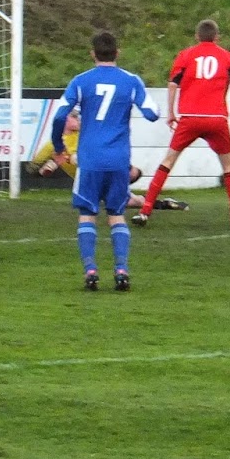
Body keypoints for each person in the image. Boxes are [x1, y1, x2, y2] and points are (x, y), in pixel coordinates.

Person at [49, 32, 160, 292]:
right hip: (118, 160)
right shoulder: (131, 81)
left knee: (87, 216)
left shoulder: (81, 81)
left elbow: (59, 116)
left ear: (93, 54)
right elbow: (153, 113)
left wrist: (58, 147)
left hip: (90, 160)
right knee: (116, 215)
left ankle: (90, 271)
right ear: (117, 53)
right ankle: (121, 270)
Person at [135, 19, 230, 230]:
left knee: (168, 160)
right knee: (228, 166)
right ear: (217, 37)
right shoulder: (228, 57)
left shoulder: (186, 55)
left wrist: (171, 112)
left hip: (190, 117)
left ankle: (145, 211)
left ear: (197, 36)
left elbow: (172, 84)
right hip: (216, 119)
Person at [33, 108, 189, 214]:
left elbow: (86, 155)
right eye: (74, 117)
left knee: (128, 197)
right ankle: (158, 202)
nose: (78, 120)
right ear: (65, 120)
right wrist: (45, 168)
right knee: (129, 202)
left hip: (102, 172)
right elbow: (34, 165)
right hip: (90, 180)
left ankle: (160, 202)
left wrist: (60, 160)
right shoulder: (53, 144)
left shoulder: (85, 134)